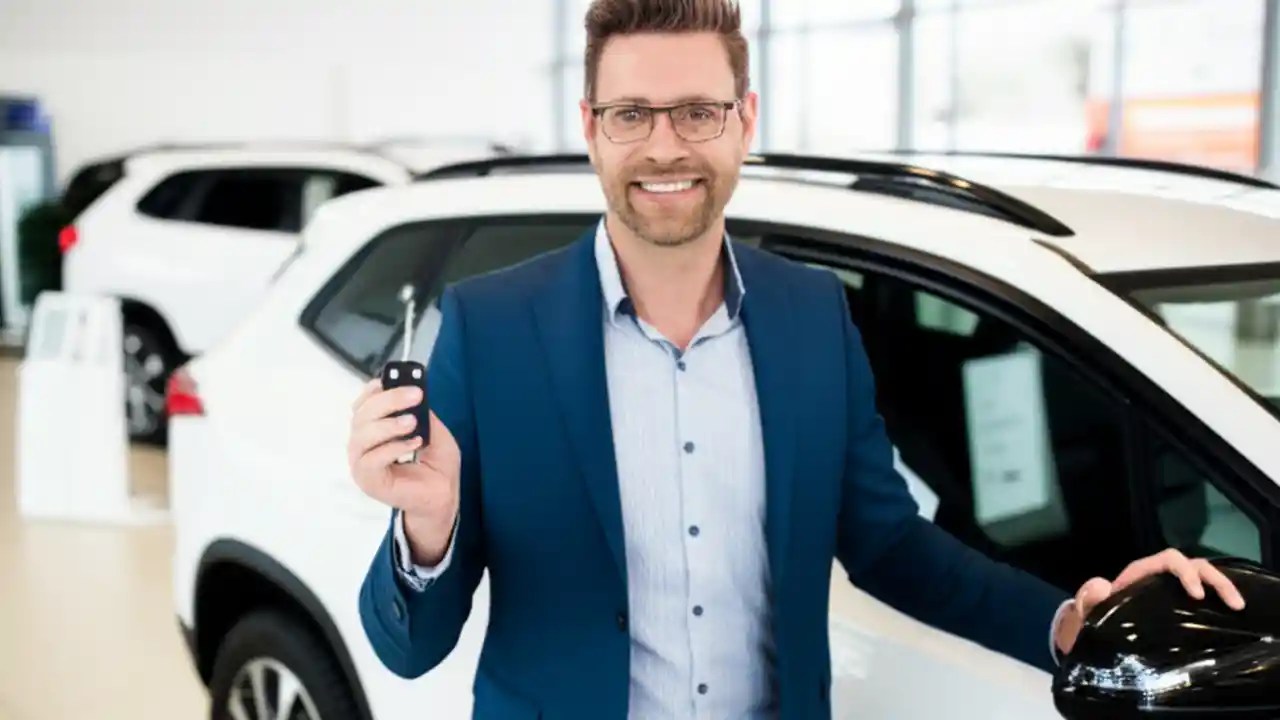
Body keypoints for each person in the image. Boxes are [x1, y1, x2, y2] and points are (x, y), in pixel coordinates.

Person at [351, 1, 1247, 717]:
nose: (665, 146)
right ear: (592, 126)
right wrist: (427, 532)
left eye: (698, 111)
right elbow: (409, 648)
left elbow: (891, 546)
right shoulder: (491, 326)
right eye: (632, 114)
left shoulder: (813, 316)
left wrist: (1066, 623)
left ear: (743, 120)